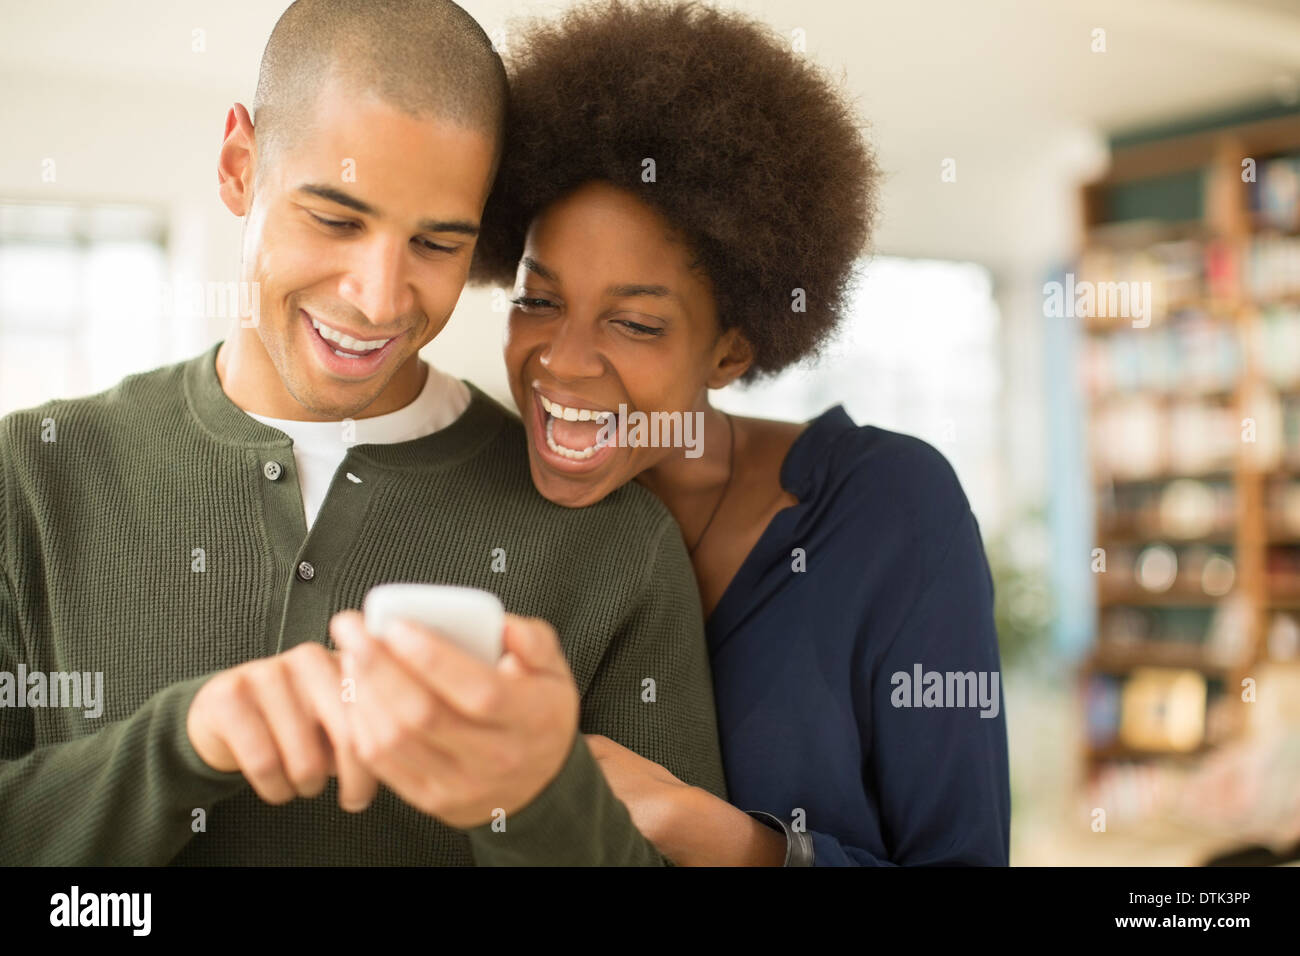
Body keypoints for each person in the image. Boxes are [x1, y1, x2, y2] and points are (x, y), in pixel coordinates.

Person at [0, 0, 725, 866]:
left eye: (436, 242)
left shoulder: (617, 546)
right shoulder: (32, 479)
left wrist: (540, 801)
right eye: (337, 220)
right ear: (240, 165)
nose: (379, 299)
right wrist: (180, 746)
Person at [471, 0, 1012, 865]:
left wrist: (715, 836)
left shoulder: (891, 513)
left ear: (732, 350)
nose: (563, 363)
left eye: (637, 324)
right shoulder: (484, 504)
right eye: (539, 301)